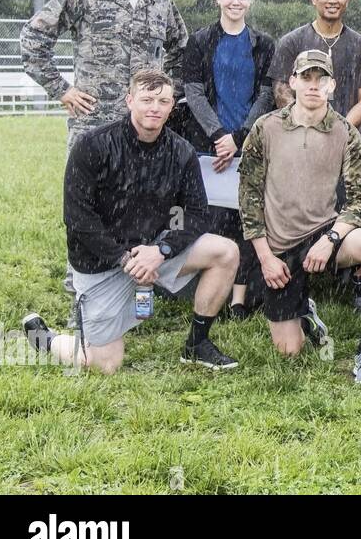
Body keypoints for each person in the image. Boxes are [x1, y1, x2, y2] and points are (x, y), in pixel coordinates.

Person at [22, 71, 239, 373]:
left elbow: (198, 213)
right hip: (102, 262)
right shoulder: (92, 145)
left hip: (150, 251)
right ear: (129, 100)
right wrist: (123, 258)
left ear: (172, 105)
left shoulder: (181, 151)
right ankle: (48, 340)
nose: (154, 107)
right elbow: (77, 219)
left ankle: (197, 344)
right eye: (147, 99)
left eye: (163, 100)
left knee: (226, 251)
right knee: (104, 365)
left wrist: (161, 250)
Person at [21, 0, 189, 295]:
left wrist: (167, 95)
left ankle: (136, 272)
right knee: (85, 200)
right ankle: (79, 277)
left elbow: (181, 48)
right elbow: (33, 39)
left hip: (142, 127)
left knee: (141, 199)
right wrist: (62, 90)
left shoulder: (160, 1)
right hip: (94, 120)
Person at [238, 51, 361, 383]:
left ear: (332, 85)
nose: (312, 85)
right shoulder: (265, 128)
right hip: (279, 246)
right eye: (305, 78)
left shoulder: (346, 133)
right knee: (289, 352)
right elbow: (249, 200)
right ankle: (305, 313)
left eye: (321, 79)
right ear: (292, 82)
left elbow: (360, 200)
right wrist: (265, 258)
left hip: (326, 231)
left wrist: (331, 239)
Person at [182, 0, 277, 317]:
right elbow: (192, 92)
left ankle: (240, 299)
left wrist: (239, 138)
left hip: (248, 145)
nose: (236, 3)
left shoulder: (264, 44)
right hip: (209, 148)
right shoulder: (200, 40)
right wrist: (218, 135)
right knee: (214, 220)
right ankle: (214, 295)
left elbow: (267, 94)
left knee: (248, 220)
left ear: (250, 1)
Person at [269, 0, 361, 128]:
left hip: (346, 139)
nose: (333, 0)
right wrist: (307, 124)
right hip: (299, 135)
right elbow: (281, 93)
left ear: (347, 0)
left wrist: (341, 128)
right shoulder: (291, 42)